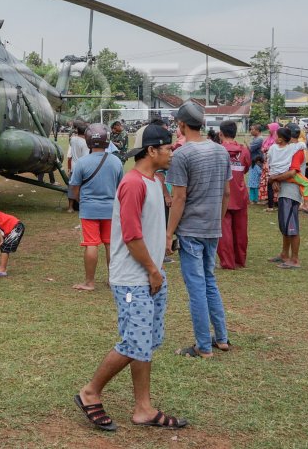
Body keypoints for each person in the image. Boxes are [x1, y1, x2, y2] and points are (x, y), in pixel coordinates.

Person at [74, 122, 187, 432]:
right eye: (167, 149)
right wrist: (152, 269)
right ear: (152, 150)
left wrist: (160, 256)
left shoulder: (154, 182)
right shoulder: (134, 183)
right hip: (134, 278)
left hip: (152, 274)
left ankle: (143, 408)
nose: (171, 154)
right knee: (134, 342)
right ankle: (90, 392)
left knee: (145, 342)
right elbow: (132, 236)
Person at [164, 101, 231, 359]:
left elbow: (178, 199)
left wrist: (169, 233)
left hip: (191, 229)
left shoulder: (182, 154)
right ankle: (221, 338)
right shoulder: (220, 151)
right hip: (212, 228)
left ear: (180, 125)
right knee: (209, 281)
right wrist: (218, 219)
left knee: (196, 287)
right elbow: (226, 192)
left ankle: (203, 345)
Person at [70, 123, 123, 290]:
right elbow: (120, 186)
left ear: (88, 141)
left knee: (91, 244)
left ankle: (89, 282)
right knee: (110, 244)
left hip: (89, 209)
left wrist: (82, 201)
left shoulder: (82, 163)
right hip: (110, 209)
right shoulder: (116, 162)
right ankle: (112, 280)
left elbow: (75, 188)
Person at [216, 121, 251, 270]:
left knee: (223, 230)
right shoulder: (244, 150)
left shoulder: (217, 151)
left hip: (221, 195)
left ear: (220, 134)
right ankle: (239, 260)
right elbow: (246, 168)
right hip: (240, 193)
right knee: (241, 229)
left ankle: (227, 262)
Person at [268, 128, 303, 269]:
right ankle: (284, 253)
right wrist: (275, 179)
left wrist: (273, 178)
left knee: (291, 226)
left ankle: (294, 259)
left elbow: (292, 173)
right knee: (285, 224)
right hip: (284, 190)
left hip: (291, 191)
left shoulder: (297, 151)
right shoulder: (284, 150)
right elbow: (274, 165)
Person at [66, 120, 89, 211]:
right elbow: (86, 158)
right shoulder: (85, 143)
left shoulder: (73, 139)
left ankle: (70, 207)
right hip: (82, 167)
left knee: (72, 186)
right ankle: (81, 206)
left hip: (73, 166)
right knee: (83, 187)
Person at [260, 122, 279, 208]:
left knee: (273, 180)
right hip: (266, 162)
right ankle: (269, 198)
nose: (268, 130)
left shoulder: (278, 139)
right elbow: (263, 148)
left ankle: (275, 200)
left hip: (273, 163)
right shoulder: (268, 138)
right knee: (267, 181)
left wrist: (266, 149)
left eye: (270, 128)